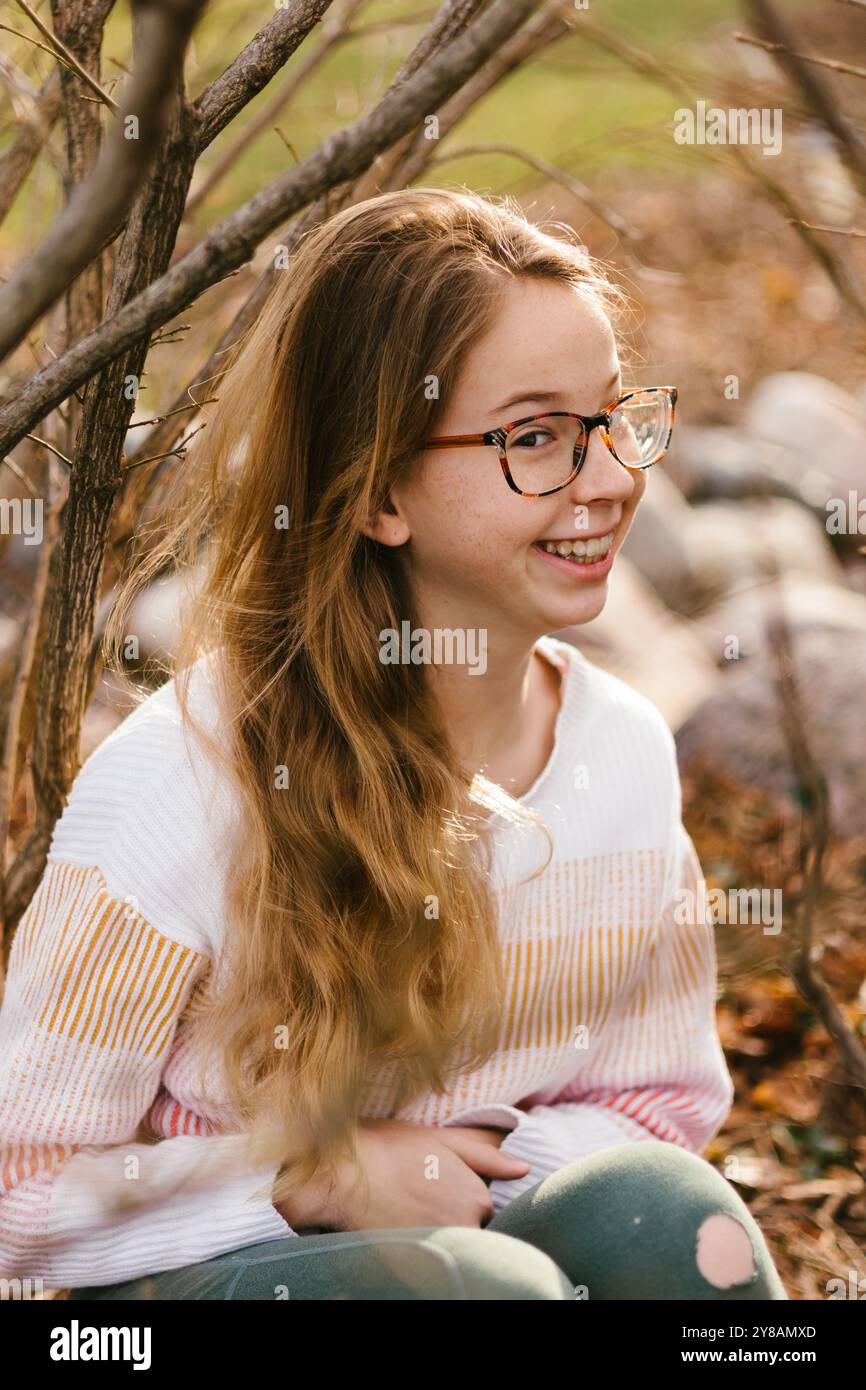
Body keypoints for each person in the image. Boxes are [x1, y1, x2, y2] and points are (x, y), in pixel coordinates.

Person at [0, 188, 787, 1300]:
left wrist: (473, 1181)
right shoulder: (184, 782)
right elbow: (15, 1198)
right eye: (536, 438)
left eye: (614, 419)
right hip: (186, 1284)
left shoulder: (617, 753)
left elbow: (656, 1106)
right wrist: (304, 1178)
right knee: (473, 1289)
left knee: (671, 1219)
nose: (610, 478)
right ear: (376, 491)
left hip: (483, 1245)